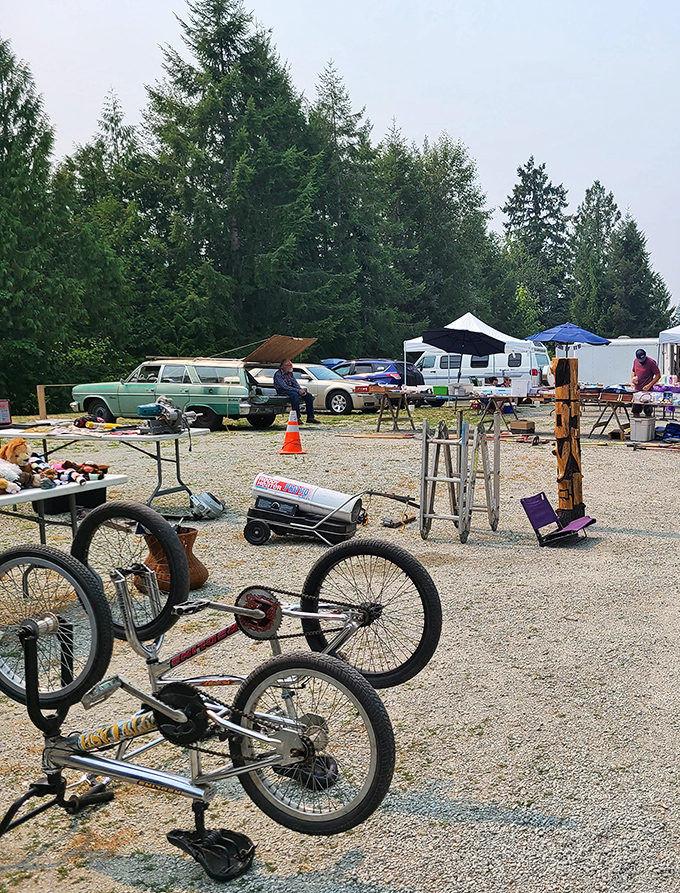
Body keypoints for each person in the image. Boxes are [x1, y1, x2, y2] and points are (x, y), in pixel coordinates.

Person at [631, 348, 661, 417]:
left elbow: (658, 375)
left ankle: (647, 426)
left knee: (648, 411)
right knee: (636, 410)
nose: (642, 361)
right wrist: (633, 378)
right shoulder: (635, 361)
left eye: (643, 359)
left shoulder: (651, 362)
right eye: (640, 360)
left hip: (648, 391)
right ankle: (636, 425)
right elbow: (633, 371)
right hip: (637, 390)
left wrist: (649, 385)